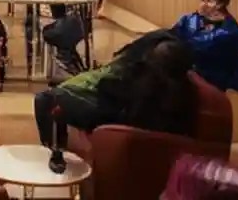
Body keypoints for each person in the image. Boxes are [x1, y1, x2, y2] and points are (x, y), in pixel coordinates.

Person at [34, 31, 199, 147]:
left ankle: (55, 156)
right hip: (120, 120)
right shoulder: (184, 91)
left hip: (113, 120)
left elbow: (115, 96)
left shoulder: (149, 83)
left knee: (45, 99)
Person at [172, 0, 238, 95]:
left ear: (220, 4)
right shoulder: (189, 19)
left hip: (210, 87)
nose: (203, 5)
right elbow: (172, 37)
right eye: (201, 0)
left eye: (208, 1)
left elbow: (198, 47)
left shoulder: (230, 32)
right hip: (185, 82)